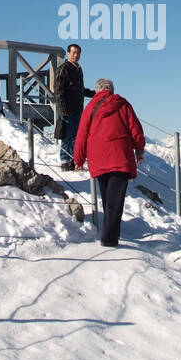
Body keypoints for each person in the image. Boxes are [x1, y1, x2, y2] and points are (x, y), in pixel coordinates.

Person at [73, 79, 145, 247]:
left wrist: (78, 159)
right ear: (111, 90)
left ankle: (109, 233)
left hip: (99, 159)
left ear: (98, 91)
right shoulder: (123, 104)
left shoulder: (90, 107)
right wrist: (139, 150)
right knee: (115, 201)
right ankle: (109, 239)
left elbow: (82, 134)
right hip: (120, 158)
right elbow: (136, 130)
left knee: (108, 199)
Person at [53, 43, 94, 170]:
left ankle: (73, 159)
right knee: (66, 135)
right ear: (68, 53)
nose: (76, 55)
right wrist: (63, 109)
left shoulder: (78, 69)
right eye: (73, 53)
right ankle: (65, 161)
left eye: (78, 53)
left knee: (76, 136)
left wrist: (94, 94)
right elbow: (58, 90)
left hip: (77, 108)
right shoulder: (63, 69)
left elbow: (80, 89)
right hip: (67, 109)